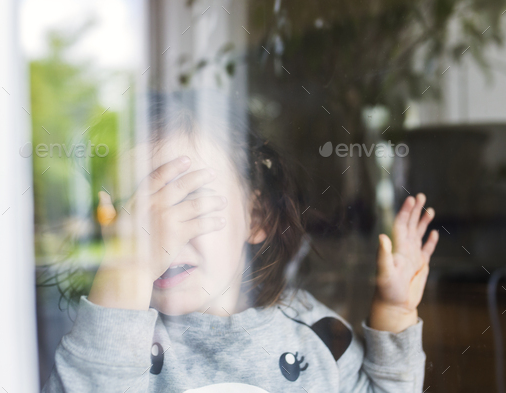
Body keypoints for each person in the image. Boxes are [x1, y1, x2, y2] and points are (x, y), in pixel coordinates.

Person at [42, 92, 439, 392]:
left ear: (256, 217)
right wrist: (127, 270)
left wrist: (395, 310)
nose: (162, 235)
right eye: (137, 214)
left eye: (186, 201)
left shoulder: (312, 333)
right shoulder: (108, 341)